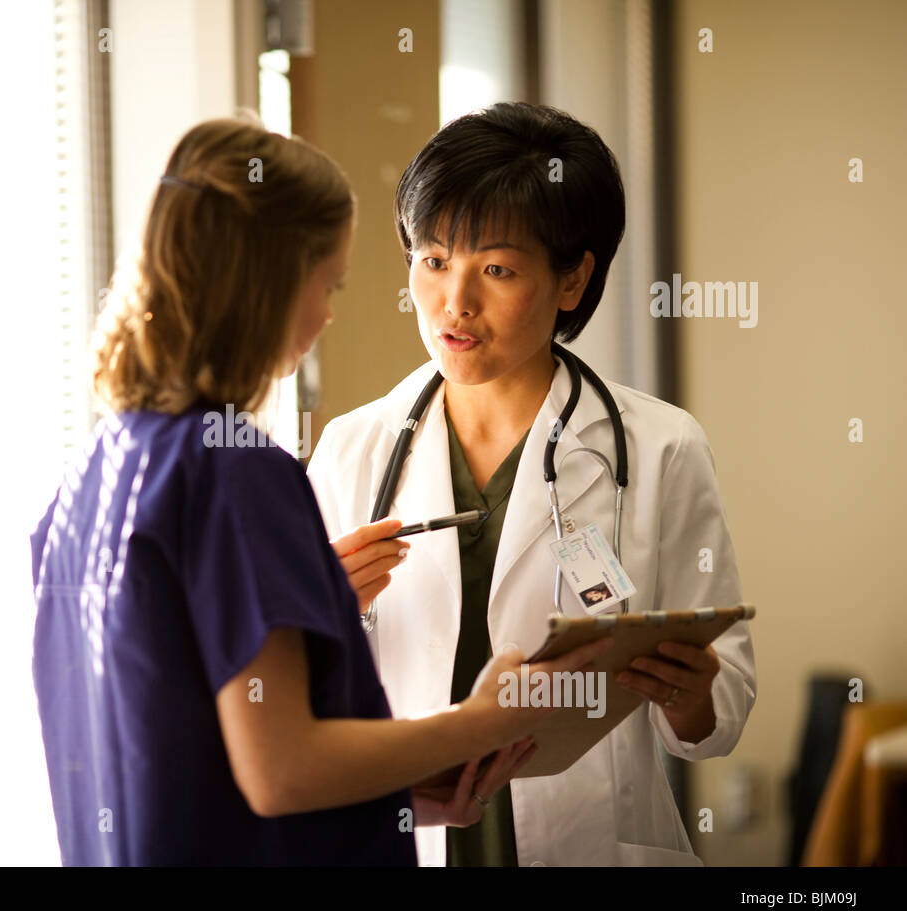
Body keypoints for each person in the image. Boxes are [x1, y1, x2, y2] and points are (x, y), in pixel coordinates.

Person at [29, 117, 609, 866]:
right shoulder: (233, 473)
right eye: (325, 282)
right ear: (266, 282)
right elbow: (281, 773)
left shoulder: (85, 485)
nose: (329, 313)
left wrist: (401, 793)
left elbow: (195, 763)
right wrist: (485, 721)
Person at [307, 103, 757, 867]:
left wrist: (691, 694)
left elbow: (722, 708)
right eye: (433, 259)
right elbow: (291, 707)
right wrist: (326, 619)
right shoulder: (354, 450)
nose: (456, 302)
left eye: (498, 269)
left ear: (574, 277)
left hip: (589, 842)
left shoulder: (660, 447)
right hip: (410, 837)